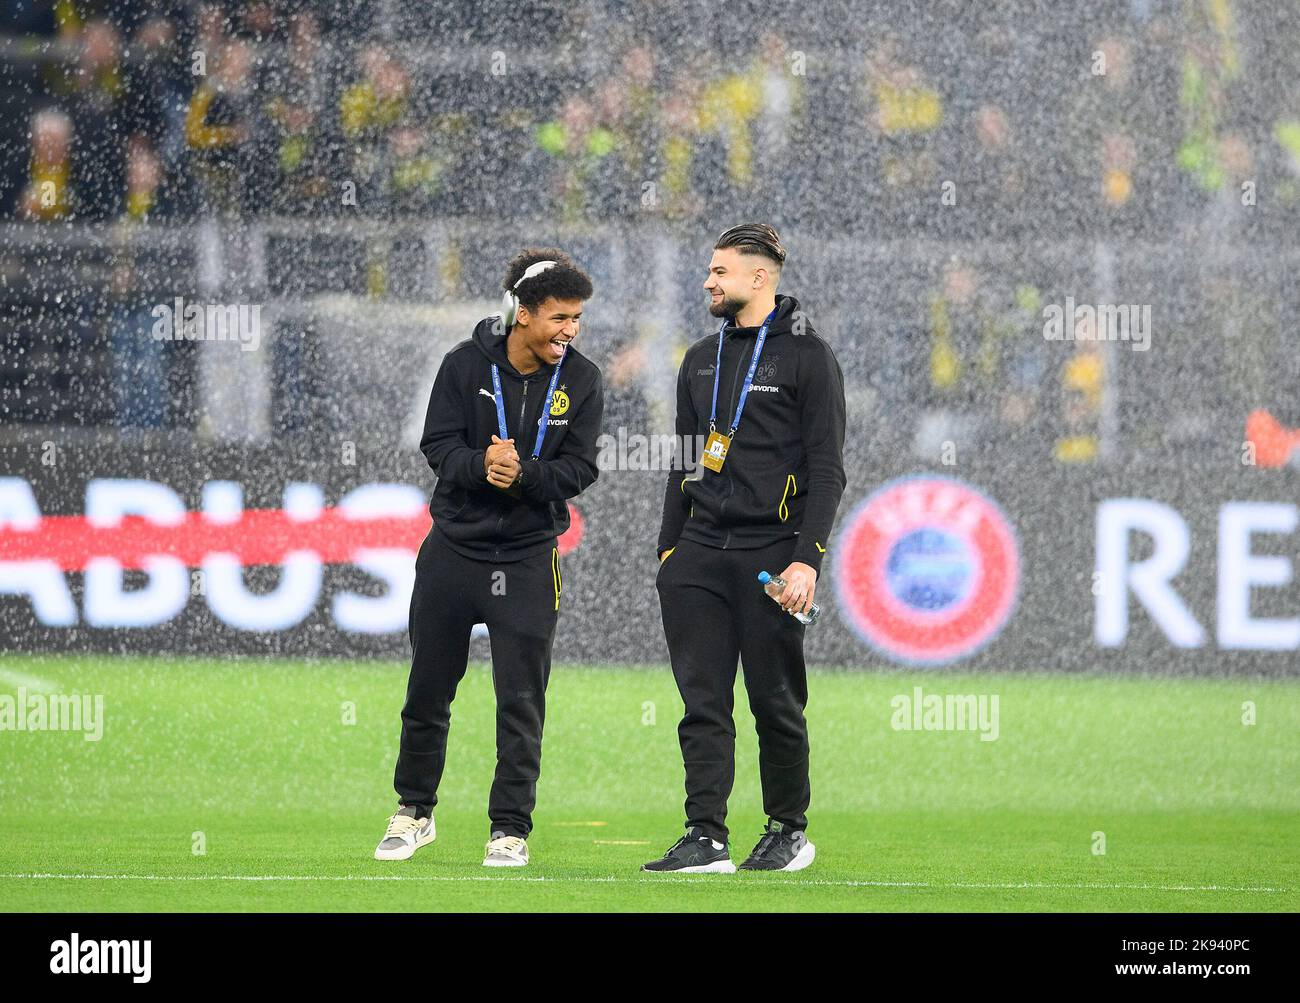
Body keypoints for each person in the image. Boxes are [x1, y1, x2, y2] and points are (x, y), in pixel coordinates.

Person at [375, 249, 603, 867]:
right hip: (453, 553)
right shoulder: (463, 364)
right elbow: (438, 445)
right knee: (428, 689)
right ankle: (413, 812)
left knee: (520, 698)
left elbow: (582, 468)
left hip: (529, 558)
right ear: (522, 314)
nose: (570, 331)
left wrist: (524, 474)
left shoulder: (582, 379)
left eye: (577, 318)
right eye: (559, 317)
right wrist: (480, 466)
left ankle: (509, 829)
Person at [645, 223, 846, 873]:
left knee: (774, 701)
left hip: (771, 554)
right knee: (702, 701)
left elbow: (827, 469)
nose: (707, 280)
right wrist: (669, 551)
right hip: (699, 551)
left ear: (759, 279)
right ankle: (705, 835)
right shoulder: (700, 356)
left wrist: (807, 559)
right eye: (709, 270)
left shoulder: (807, 356)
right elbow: (681, 461)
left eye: (719, 272)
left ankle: (788, 829)